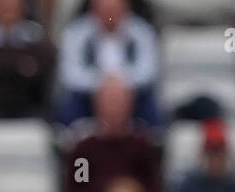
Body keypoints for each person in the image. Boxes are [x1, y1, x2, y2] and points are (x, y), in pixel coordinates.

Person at [56, 0, 159, 128]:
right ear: (94, 10)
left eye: (114, 10)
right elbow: (70, 73)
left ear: (126, 10)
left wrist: (119, 86)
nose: (110, 15)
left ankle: (152, 140)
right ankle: (70, 142)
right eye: (105, 11)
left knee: (150, 103)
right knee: (70, 104)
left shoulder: (142, 32)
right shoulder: (75, 33)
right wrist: (102, 86)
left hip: (131, 92)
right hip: (88, 94)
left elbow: (148, 71)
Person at [0, 0, 55, 119]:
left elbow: (42, 68)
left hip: (29, 111)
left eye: (12, 6)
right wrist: (20, 64)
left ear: (23, 8)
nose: (7, 10)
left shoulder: (36, 39)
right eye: (2, 5)